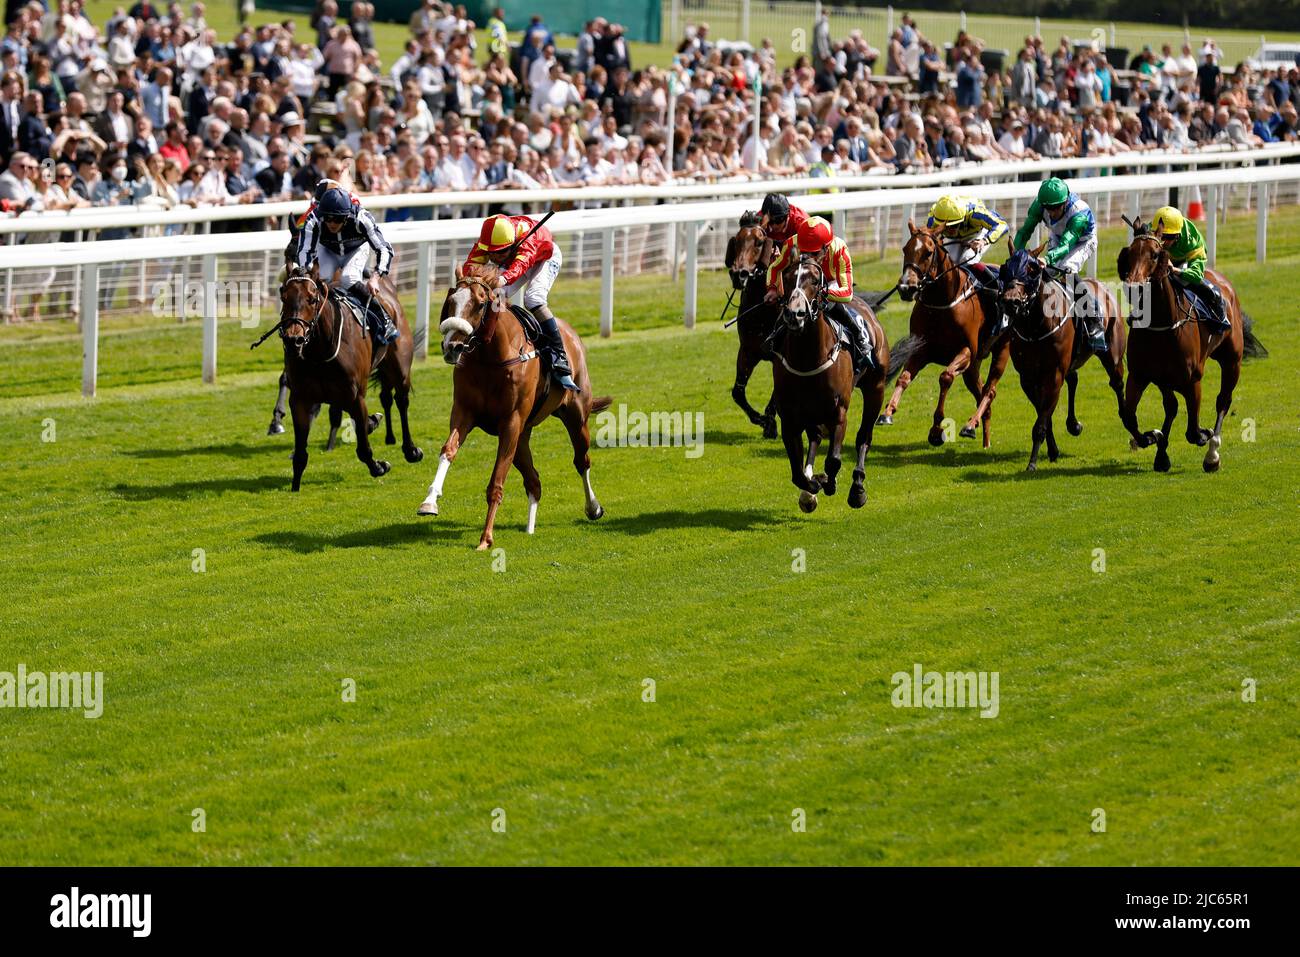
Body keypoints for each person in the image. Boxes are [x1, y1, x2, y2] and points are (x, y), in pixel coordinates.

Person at [462, 213, 578, 391]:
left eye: (500, 253)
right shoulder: (488, 242)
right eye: (490, 253)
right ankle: (483, 343)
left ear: (513, 244)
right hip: (518, 261)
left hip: (544, 257)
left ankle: (559, 355)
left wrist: (503, 278)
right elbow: (471, 266)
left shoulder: (528, 239)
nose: (494, 258)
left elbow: (521, 265)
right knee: (494, 295)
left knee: (533, 298)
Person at [764, 215, 877, 375]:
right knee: (791, 306)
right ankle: (775, 338)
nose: (809, 257)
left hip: (830, 283)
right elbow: (775, 268)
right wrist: (772, 289)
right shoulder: (793, 243)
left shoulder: (839, 248)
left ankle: (861, 339)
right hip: (804, 282)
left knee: (834, 306)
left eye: (815, 253)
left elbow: (847, 292)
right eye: (804, 252)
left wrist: (823, 292)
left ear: (826, 248)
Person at [294, 185, 398, 344]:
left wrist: (376, 277)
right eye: (327, 218)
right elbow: (305, 250)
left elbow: (384, 248)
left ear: (347, 215)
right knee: (321, 279)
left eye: (337, 219)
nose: (331, 223)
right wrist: (305, 270)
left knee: (348, 278)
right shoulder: (314, 219)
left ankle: (383, 319)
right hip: (328, 250)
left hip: (355, 250)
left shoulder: (361, 217)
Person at [1012, 177, 1103, 351]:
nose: (1051, 213)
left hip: (1082, 240)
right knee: (1044, 274)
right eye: (1048, 208)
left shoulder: (1079, 213)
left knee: (1066, 269)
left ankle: (1093, 318)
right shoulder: (1040, 205)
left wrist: (1048, 258)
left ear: (1066, 200)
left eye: (1055, 208)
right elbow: (1024, 232)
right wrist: (1016, 255)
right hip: (1058, 236)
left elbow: (1067, 245)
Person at [1148, 205, 1229, 329]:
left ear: (1177, 235)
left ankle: (1216, 303)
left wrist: (1174, 269)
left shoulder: (1194, 245)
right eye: (1160, 236)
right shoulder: (1152, 230)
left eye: (1168, 238)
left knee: (1182, 280)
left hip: (1184, 261)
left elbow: (1196, 275)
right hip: (1163, 257)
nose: (1163, 242)